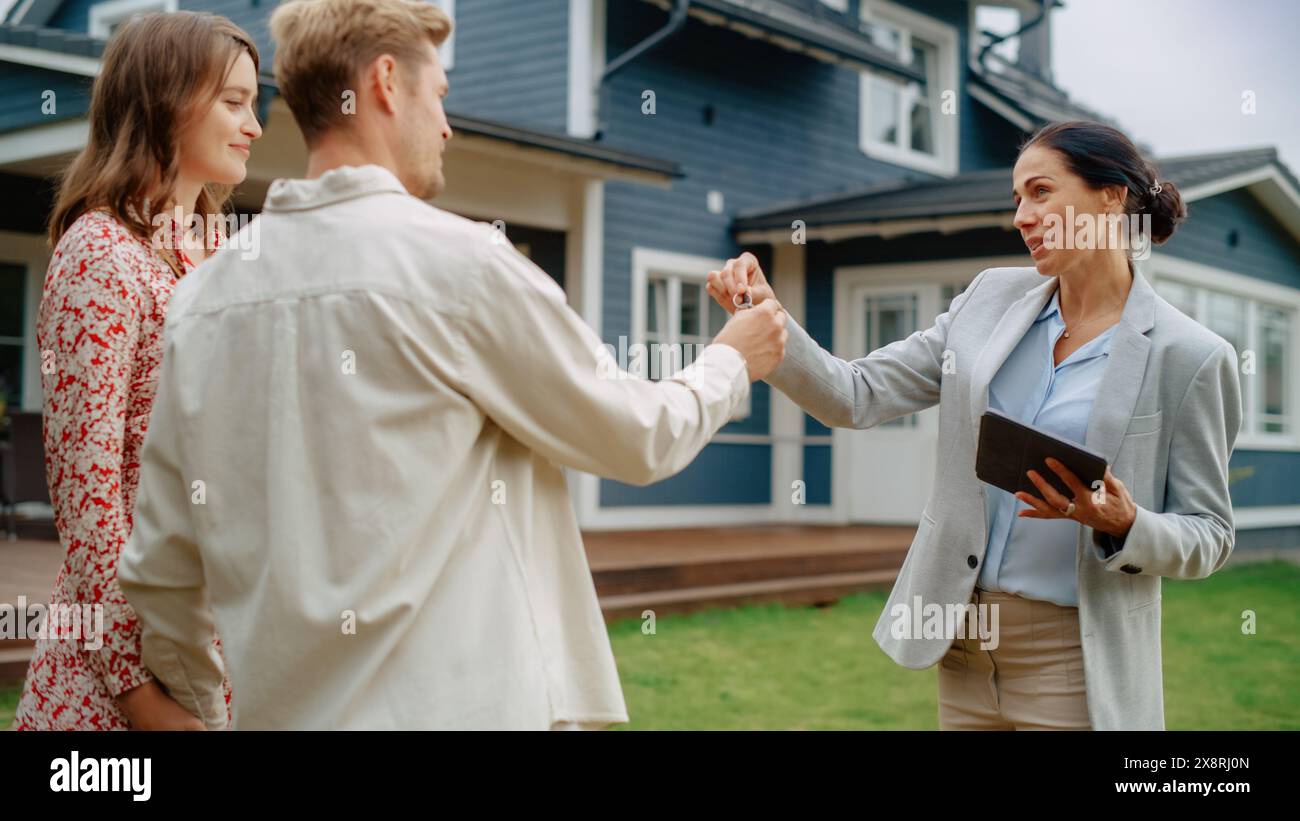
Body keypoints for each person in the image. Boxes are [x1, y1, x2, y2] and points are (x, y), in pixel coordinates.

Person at [116, 0, 787, 730]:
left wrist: (209, 714)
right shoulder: (464, 267)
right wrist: (732, 359)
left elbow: (160, 573)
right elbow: (636, 434)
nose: (446, 126)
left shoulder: (200, 302)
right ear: (384, 83)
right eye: (438, 94)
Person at [708, 120, 1241, 730]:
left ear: (1111, 197)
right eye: (1017, 198)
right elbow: (854, 394)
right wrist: (768, 318)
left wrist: (1126, 523)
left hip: (1078, 662)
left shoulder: (1191, 355)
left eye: (1041, 192)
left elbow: (1210, 534)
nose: (1021, 217)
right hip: (963, 647)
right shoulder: (988, 299)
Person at [14, 11, 263, 730]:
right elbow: (88, 496)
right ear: (167, 100)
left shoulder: (215, 257)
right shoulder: (101, 253)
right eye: (234, 102)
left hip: (217, 651)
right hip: (118, 686)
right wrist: (137, 691)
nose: (253, 125)